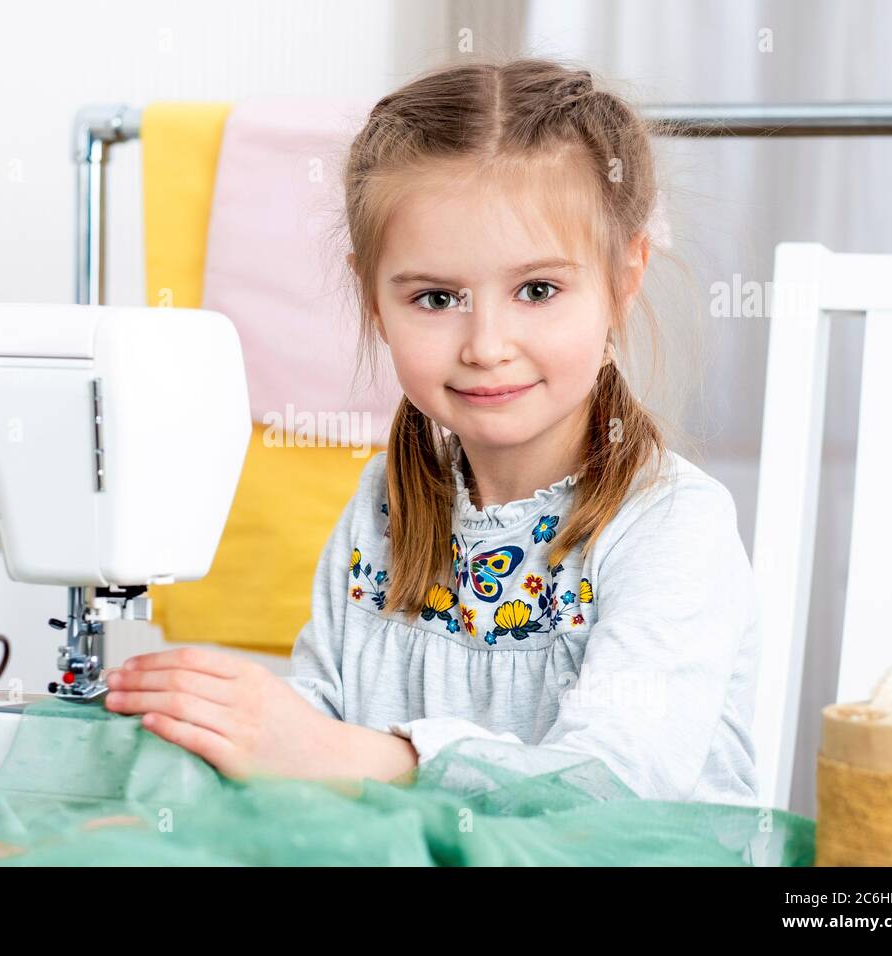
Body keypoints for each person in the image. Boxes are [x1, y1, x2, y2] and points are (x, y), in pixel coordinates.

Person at [103, 56, 760, 805]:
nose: (486, 344)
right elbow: (317, 728)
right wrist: (220, 741)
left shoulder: (671, 528)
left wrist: (351, 756)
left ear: (623, 277)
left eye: (537, 290)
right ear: (373, 300)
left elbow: (606, 788)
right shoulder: (383, 504)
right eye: (437, 296)